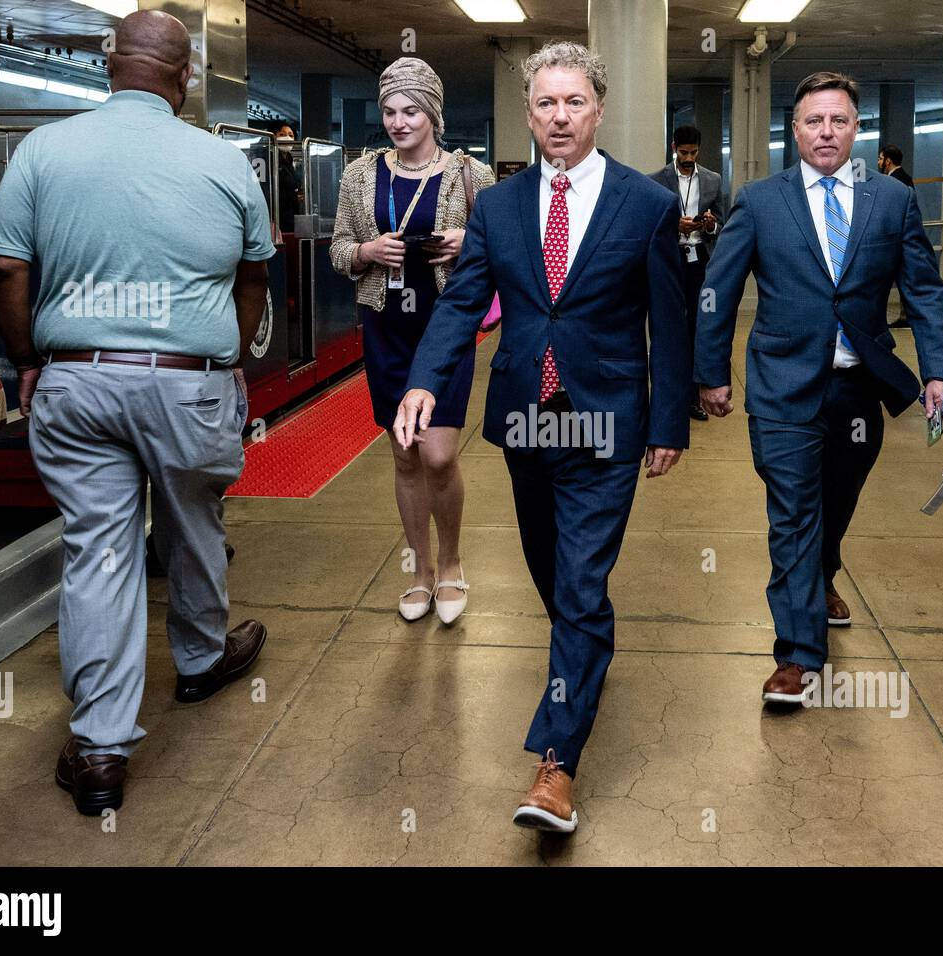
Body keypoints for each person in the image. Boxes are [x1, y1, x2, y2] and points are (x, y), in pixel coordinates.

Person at [0, 9, 272, 813]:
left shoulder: (44, 150)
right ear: (184, 78)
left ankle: (102, 750)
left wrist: (31, 361)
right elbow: (253, 279)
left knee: (99, 549)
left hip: (79, 381)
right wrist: (234, 361)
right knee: (194, 521)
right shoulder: (222, 161)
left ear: (109, 66)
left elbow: (4, 269)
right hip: (188, 381)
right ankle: (202, 661)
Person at [394, 41, 688, 833]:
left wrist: (669, 422)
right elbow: (462, 306)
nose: (560, 117)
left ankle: (556, 764)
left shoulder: (647, 204)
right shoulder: (498, 206)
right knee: (557, 580)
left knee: (582, 586)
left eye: (574, 103)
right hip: (528, 418)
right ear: (529, 114)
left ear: (598, 109)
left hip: (607, 422)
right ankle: (585, 657)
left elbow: (671, 320)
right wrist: (424, 379)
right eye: (545, 104)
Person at [695, 71, 943, 700]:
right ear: (796, 128)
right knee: (792, 515)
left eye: (839, 121)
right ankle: (797, 653)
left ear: (855, 128)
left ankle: (824, 568)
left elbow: (922, 288)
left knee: (835, 504)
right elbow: (717, 295)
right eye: (814, 121)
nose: (827, 132)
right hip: (782, 387)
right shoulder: (761, 200)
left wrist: (939, 370)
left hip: (859, 389)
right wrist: (709, 376)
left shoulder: (890, 201)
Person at [330, 57, 494, 625]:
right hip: (386, 328)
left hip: (444, 329)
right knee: (403, 453)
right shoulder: (359, 175)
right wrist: (367, 253)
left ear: (434, 114)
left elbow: (500, 249)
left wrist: (464, 242)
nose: (400, 123)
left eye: (412, 111)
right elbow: (339, 247)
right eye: (391, 112)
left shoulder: (471, 175)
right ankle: (420, 571)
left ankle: (451, 563)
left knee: (439, 454)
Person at [649, 125, 726, 422]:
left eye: (693, 153)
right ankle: (665, 396)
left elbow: (721, 223)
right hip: (669, 264)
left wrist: (708, 224)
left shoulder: (712, 180)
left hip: (699, 264)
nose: (688, 158)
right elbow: (650, 225)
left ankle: (692, 398)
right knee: (666, 330)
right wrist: (673, 226)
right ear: (673, 148)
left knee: (698, 330)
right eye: (683, 152)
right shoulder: (657, 181)